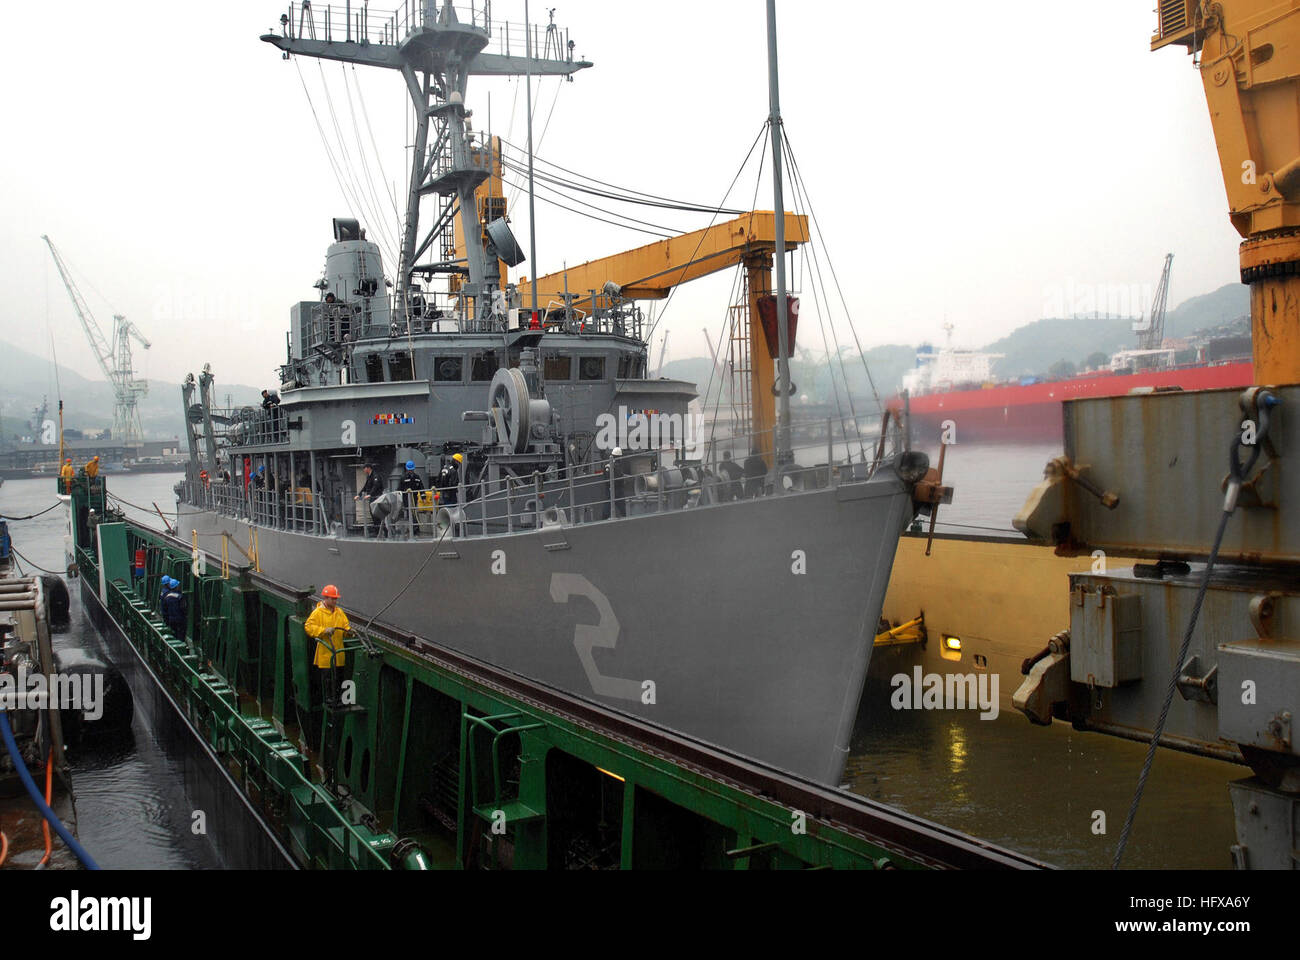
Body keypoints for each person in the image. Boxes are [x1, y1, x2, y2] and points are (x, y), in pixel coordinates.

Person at [304, 585, 350, 710]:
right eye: (333, 599)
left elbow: (345, 625)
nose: (335, 601)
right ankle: (330, 699)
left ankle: (339, 699)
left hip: (338, 653)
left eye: (336, 599)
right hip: (326, 654)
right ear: (326, 598)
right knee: (328, 678)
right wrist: (323, 630)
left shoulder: (339, 612)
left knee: (339, 677)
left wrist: (349, 631)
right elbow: (308, 627)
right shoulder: (318, 613)